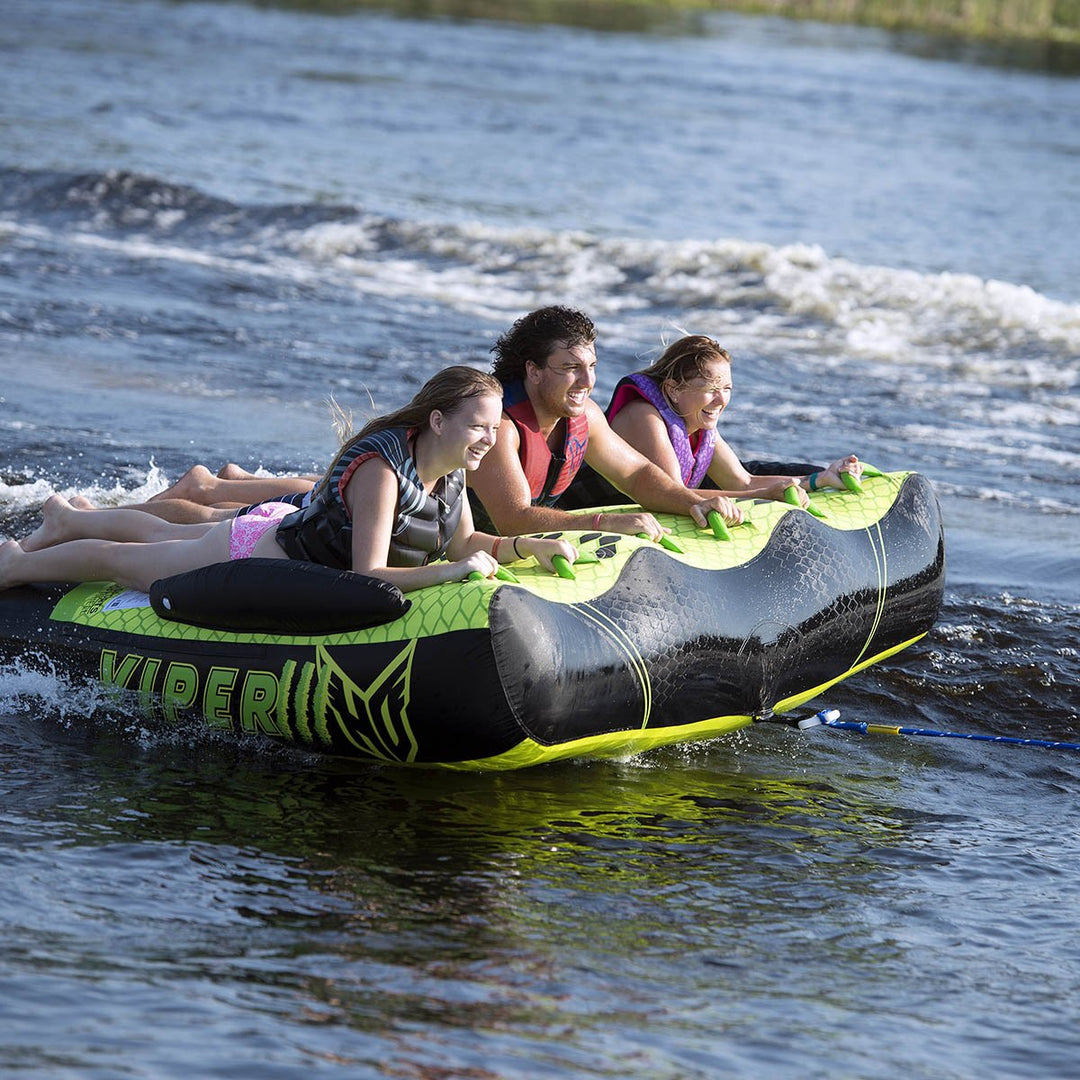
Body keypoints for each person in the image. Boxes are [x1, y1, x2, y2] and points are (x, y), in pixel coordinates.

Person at [0, 367, 577, 595]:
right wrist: (452, 572)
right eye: (478, 427)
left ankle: (69, 518)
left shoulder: (450, 475)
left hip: (288, 534)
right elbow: (368, 575)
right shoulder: (382, 474)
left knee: (158, 536)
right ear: (438, 422)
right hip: (257, 551)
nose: (489, 440)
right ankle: (17, 564)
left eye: (494, 429)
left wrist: (525, 547)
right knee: (125, 563)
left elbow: (465, 542)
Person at [467, 306, 747, 540]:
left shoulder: (585, 416)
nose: (588, 382)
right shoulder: (499, 426)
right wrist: (605, 522)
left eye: (591, 367)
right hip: (454, 555)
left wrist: (694, 503)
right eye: (571, 368)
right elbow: (513, 520)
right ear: (534, 370)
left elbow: (637, 475)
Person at [563, 334, 861, 507]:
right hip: (575, 508)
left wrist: (818, 480)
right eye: (710, 389)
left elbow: (743, 481)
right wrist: (763, 496)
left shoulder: (698, 425)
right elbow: (674, 495)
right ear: (673, 389)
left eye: (727, 389)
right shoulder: (644, 416)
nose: (721, 400)